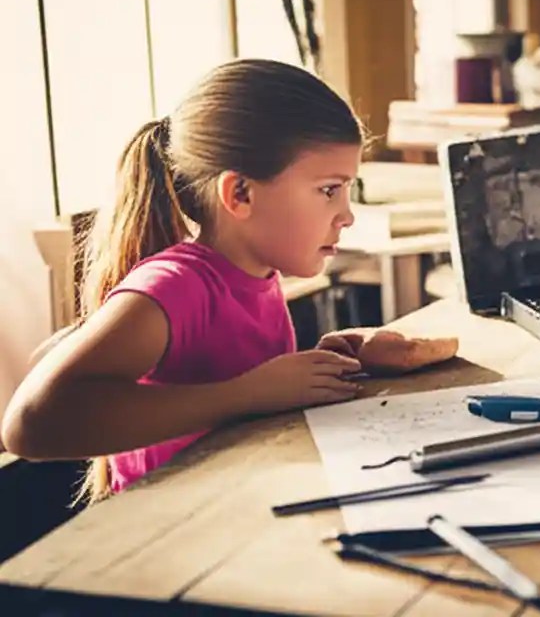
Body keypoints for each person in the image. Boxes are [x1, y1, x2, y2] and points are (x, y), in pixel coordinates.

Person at [1, 59, 375, 502]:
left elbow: (242, 393)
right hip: (157, 541)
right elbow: (29, 427)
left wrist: (322, 368)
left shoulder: (260, 275)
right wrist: (247, 393)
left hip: (231, 510)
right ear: (240, 194)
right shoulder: (173, 287)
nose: (347, 215)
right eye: (329, 189)